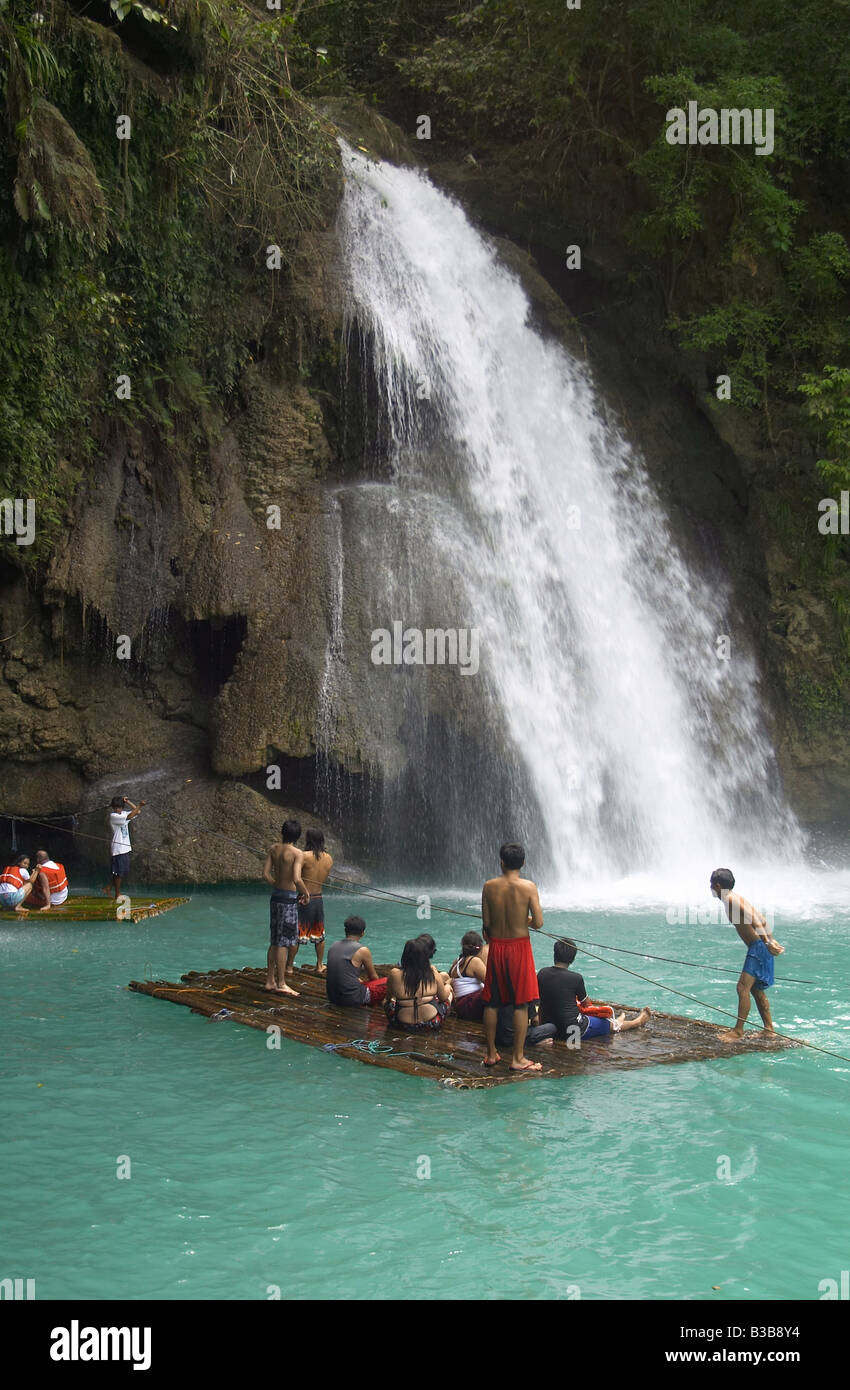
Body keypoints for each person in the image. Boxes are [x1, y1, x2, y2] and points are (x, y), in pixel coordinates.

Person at [480, 842, 544, 1072]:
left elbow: (485, 926)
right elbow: (538, 922)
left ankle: (490, 1053)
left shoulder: (489, 886)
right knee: (521, 1003)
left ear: (501, 862)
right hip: (519, 948)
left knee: (493, 1001)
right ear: (523, 863)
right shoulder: (528, 887)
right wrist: (523, 920)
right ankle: (517, 1058)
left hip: (497, 945)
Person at [709, 867, 784, 1041]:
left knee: (742, 987)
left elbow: (756, 920)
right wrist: (770, 939)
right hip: (760, 946)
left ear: (718, 886)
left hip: (758, 947)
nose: (711, 888)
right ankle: (769, 1029)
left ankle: (738, 1031)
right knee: (756, 990)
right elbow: (762, 919)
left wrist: (766, 942)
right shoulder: (735, 898)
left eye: (712, 885)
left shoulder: (730, 900)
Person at [537, 939, 650, 1042]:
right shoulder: (576, 978)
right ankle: (637, 1022)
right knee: (606, 1023)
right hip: (573, 1031)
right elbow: (587, 1005)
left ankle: (619, 1020)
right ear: (572, 959)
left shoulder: (542, 973)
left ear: (555, 954)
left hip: (550, 1028)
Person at [262, 819, 310, 996]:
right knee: (283, 942)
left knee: (275, 939)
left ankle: (269, 980)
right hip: (288, 901)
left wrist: (277, 885)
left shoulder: (274, 849)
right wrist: (306, 893)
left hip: (275, 897)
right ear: (297, 836)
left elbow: (265, 874)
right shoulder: (298, 853)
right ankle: (281, 983)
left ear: (283, 832)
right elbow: (297, 879)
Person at [385, 937, 453, 1032]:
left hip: (402, 1024)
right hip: (432, 1023)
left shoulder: (394, 973)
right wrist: (448, 986)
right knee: (448, 994)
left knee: (388, 1003)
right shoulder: (432, 971)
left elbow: (388, 997)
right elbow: (443, 997)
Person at [294, 828, 332, 975]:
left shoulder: (303, 856)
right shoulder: (329, 858)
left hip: (304, 897)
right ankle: (319, 965)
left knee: (297, 934)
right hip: (318, 899)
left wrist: (304, 893)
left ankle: (289, 966)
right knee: (319, 933)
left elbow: (296, 878)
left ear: (308, 840)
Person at [325, 915, 387, 1006]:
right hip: (352, 999)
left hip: (333, 997)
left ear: (345, 931)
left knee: (360, 981)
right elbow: (373, 977)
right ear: (363, 933)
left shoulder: (333, 946)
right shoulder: (362, 950)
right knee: (388, 982)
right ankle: (386, 1002)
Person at [108, 795, 145, 900]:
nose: (117, 809)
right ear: (113, 808)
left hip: (125, 848)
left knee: (122, 871)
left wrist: (128, 801)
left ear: (122, 807)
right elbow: (130, 817)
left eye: (119, 807)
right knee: (119, 873)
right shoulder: (113, 816)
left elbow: (137, 812)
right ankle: (117, 894)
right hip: (118, 848)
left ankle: (108, 887)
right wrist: (140, 805)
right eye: (115, 807)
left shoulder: (123, 813)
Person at [449, 930, 489, 1021]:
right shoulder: (474, 961)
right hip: (469, 1005)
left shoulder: (457, 961)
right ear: (479, 948)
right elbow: (490, 982)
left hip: (460, 1005)